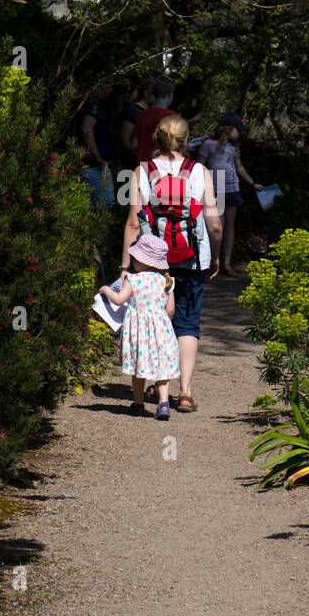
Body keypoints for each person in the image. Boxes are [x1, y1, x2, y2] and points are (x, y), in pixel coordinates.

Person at [121, 113, 222, 412]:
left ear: (157, 138)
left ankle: (155, 383)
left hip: (152, 261)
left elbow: (133, 224)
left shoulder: (142, 171)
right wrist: (214, 257)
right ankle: (185, 392)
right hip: (191, 258)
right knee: (187, 323)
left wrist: (126, 266)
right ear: (185, 140)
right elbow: (214, 224)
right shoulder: (199, 171)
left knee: (157, 320)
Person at [98, 233, 179, 419]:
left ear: (139, 260)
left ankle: (138, 403)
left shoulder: (133, 280)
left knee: (139, 365)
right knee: (162, 367)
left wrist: (106, 290)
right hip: (161, 330)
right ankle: (164, 404)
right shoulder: (167, 281)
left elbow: (119, 300)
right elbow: (171, 310)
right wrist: (161, 322)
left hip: (139, 331)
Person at [198, 113, 263, 276]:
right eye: (237, 130)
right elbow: (199, 166)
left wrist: (252, 183)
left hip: (232, 188)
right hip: (215, 187)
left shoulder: (234, 148)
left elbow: (239, 167)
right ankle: (213, 260)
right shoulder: (209, 145)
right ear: (228, 129)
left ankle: (226, 263)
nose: (239, 133)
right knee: (217, 225)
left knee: (229, 226)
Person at [77, 77, 115, 208]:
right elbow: (86, 127)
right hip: (94, 165)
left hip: (92, 164)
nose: (112, 88)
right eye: (110, 84)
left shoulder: (93, 103)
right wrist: (97, 157)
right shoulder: (93, 104)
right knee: (106, 205)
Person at [132, 77, 177, 164]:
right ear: (169, 95)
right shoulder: (172, 116)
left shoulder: (142, 115)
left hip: (143, 166)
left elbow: (134, 145)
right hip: (164, 166)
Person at [120, 76, 155, 162]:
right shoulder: (133, 111)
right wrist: (139, 156)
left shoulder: (150, 112)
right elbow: (124, 140)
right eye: (156, 94)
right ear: (147, 94)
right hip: (132, 162)